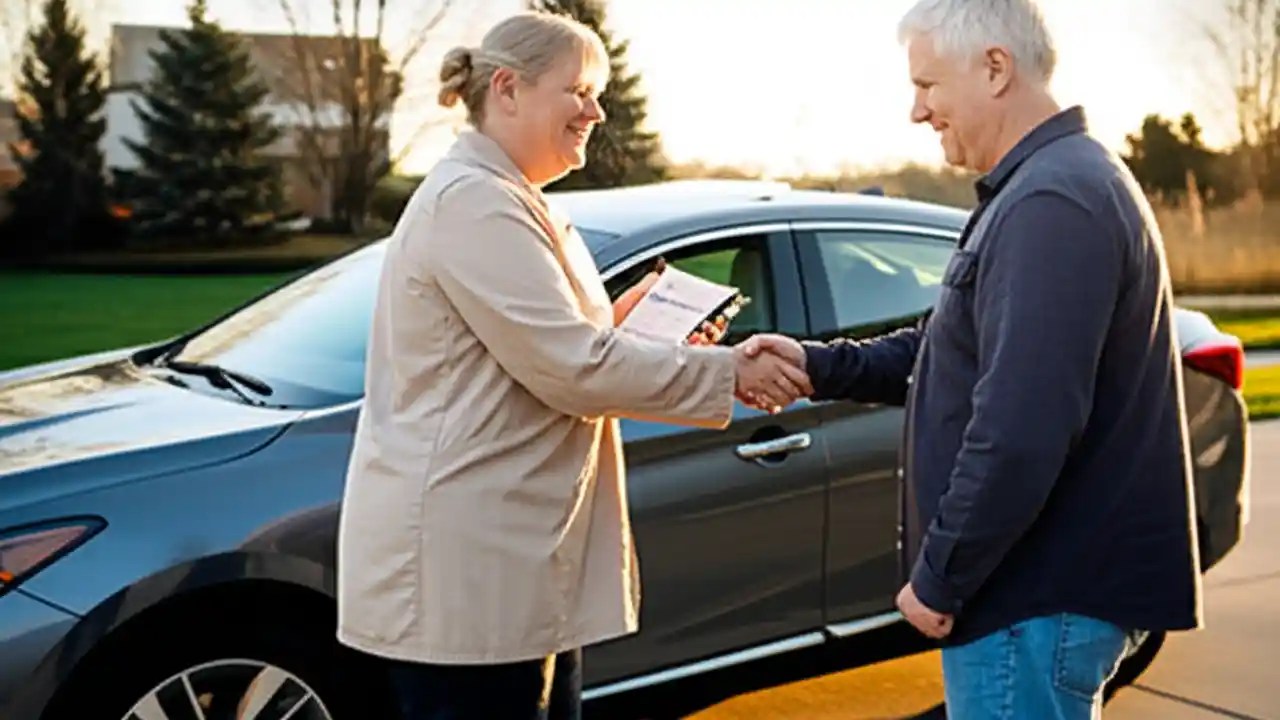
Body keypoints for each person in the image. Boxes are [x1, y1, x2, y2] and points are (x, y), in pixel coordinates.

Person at [335, 11, 810, 720]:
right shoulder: (475, 204)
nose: (597, 112)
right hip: (472, 578)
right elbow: (573, 368)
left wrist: (633, 328)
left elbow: (540, 351)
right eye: (580, 90)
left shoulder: (509, 198)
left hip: (514, 564)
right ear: (507, 89)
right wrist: (728, 372)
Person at [744, 0, 1202, 717]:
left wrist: (941, 575)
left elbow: (1022, 427)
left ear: (994, 68)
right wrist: (817, 364)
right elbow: (952, 349)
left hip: (1030, 603)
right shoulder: (1047, 184)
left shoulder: (1053, 201)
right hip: (1035, 605)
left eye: (927, 85)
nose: (917, 111)